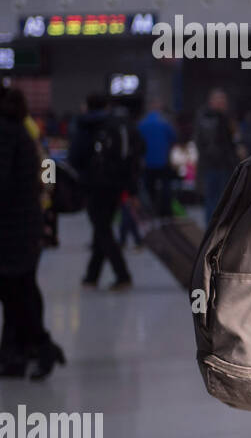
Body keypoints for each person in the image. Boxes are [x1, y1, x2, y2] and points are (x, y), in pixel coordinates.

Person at [0, 87, 64, 379]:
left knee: (18, 292)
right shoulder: (27, 129)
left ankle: (38, 347)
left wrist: (47, 201)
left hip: (14, 225)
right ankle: (17, 352)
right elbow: (46, 165)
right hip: (28, 219)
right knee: (19, 289)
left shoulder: (10, 132)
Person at [67, 93, 142, 291]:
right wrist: (131, 188)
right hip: (116, 185)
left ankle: (122, 275)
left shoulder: (85, 126)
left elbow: (74, 157)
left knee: (102, 230)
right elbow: (136, 152)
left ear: (87, 106)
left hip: (94, 186)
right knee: (102, 227)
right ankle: (91, 276)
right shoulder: (119, 125)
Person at [193, 88, 239, 224]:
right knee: (213, 199)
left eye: (223, 101)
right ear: (211, 101)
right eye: (218, 100)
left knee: (225, 199)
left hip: (226, 164)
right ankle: (212, 229)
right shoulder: (206, 117)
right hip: (212, 165)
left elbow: (231, 141)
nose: (221, 104)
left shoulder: (226, 118)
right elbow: (207, 142)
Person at [137, 99, 177, 218]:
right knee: (165, 187)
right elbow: (173, 138)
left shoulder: (142, 123)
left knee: (149, 188)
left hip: (147, 162)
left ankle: (150, 211)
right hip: (163, 161)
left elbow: (137, 142)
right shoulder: (164, 123)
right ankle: (166, 212)